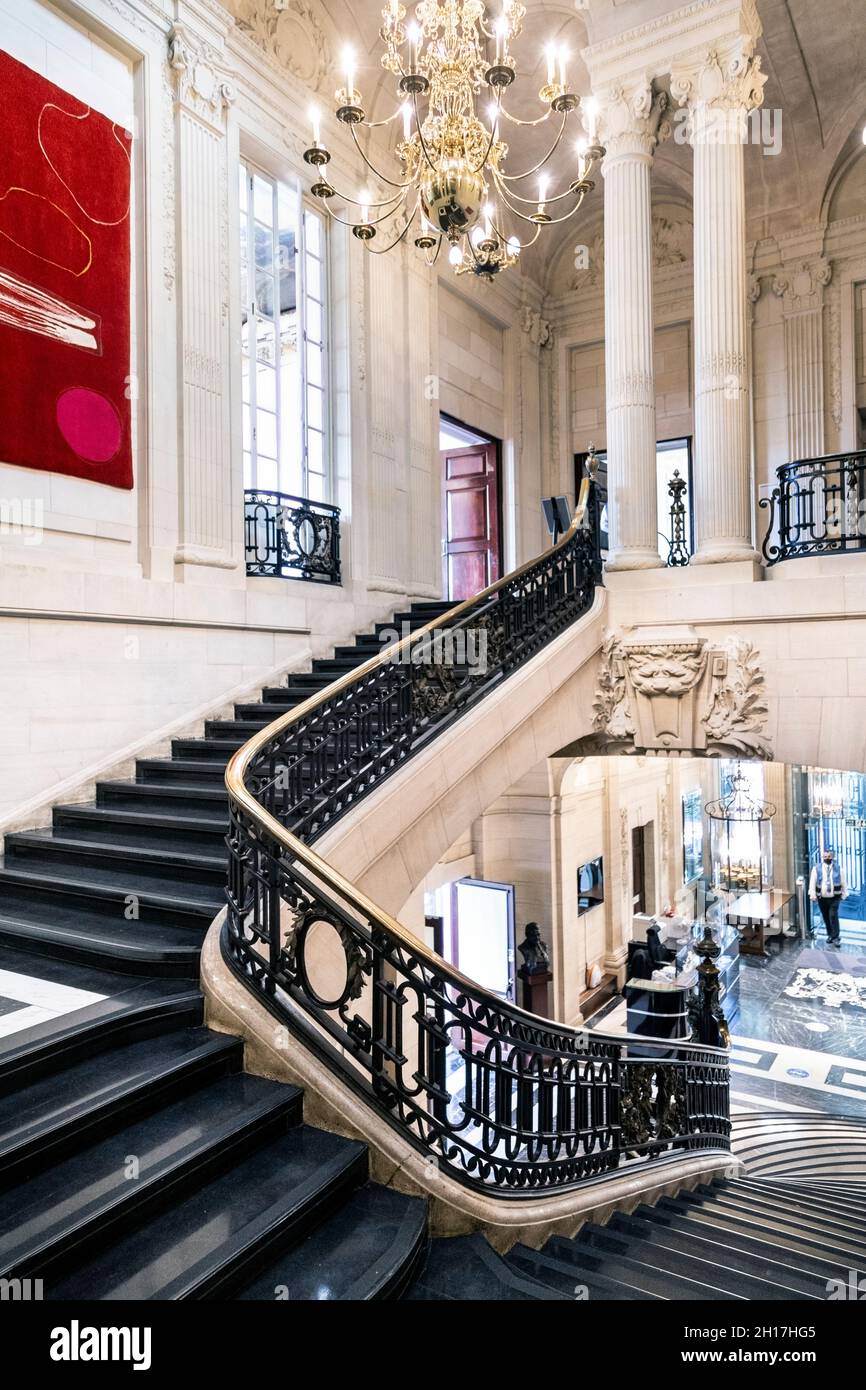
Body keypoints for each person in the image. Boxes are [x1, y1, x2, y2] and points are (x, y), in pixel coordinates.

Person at [808, 848, 848, 949]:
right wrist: (812, 894)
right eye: (825, 857)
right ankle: (830, 935)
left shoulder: (838, 868)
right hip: (822, 897)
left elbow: (843, 882)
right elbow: (812, 882)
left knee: (833, 915)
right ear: (823, 857)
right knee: (826, 917)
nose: (827, 858)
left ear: (832, 857)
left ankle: (836, 937)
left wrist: (844, 894)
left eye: (829, 857)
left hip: (835, 897)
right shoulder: (816, 868)